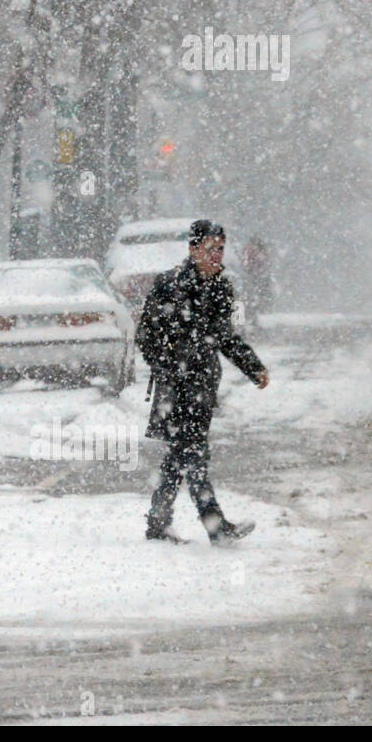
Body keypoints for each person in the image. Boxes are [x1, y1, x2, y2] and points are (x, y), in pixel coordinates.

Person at [135, 219, 270, 545]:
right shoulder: (170, 285)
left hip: (203, 386)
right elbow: (145, 336)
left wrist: (253, 367)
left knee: (179, 456)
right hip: (174, 388)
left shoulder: (221, 287)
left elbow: (225, 337)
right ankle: (216, 526)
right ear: (193, 248)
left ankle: (158, 522)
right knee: (193, 455)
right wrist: (169, 364)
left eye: (221, 249)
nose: (216, 255)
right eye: (210, 248)